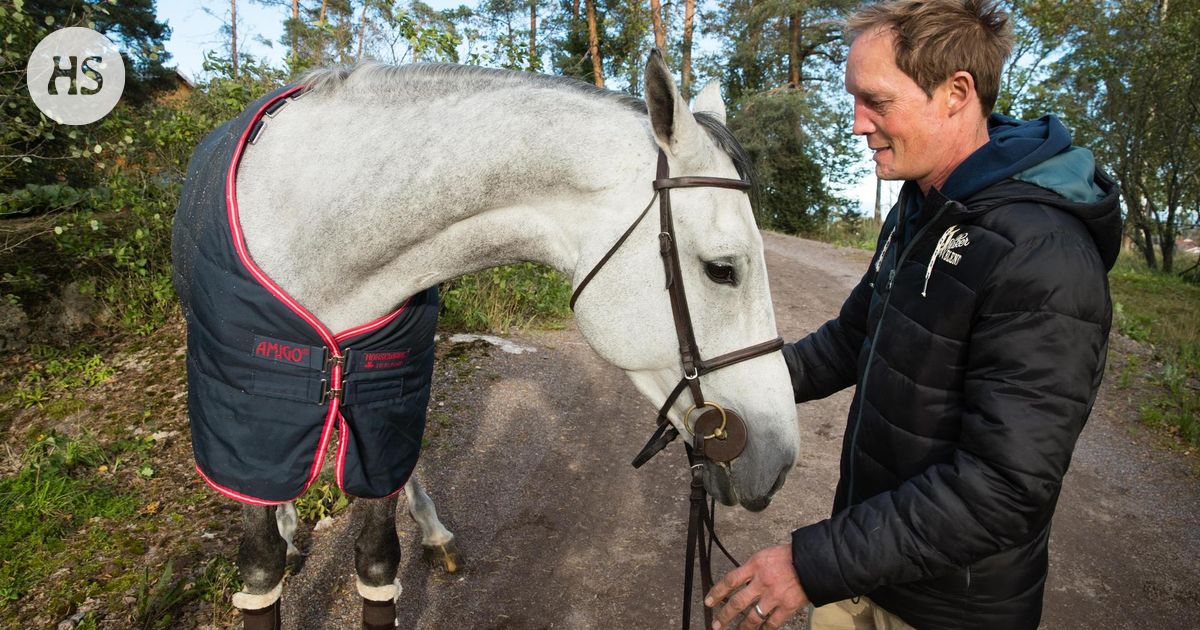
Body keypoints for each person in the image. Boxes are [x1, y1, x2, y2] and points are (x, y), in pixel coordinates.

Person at [704, 1, 1123, 628]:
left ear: (956, 92)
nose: (857, 124)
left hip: (949, 609)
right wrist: (728, 382)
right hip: (868, 574)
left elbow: (1004, 490)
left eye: (877, 101)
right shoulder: (924, 204)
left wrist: (810, 564)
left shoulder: (1043, 255)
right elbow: (851, 339)